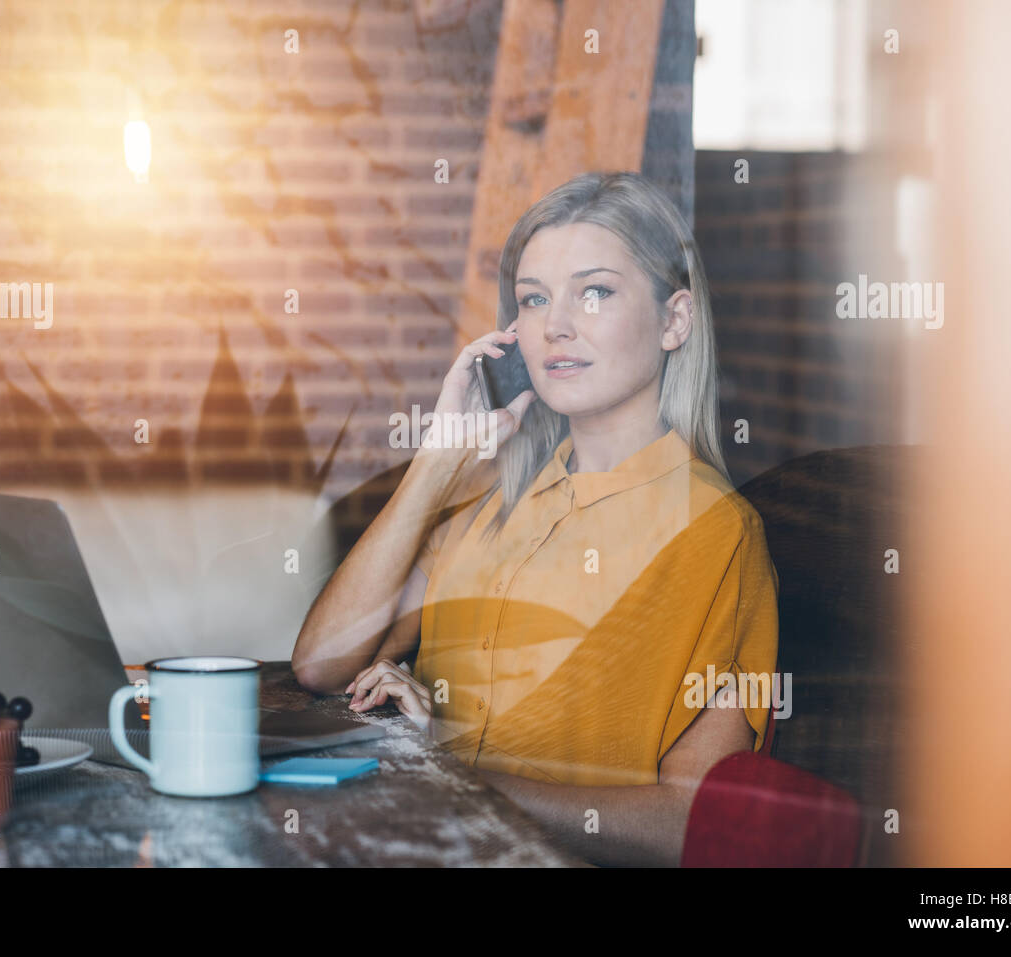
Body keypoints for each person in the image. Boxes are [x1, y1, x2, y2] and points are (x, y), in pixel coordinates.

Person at [292, 171, 779, 866]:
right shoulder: (490, 499)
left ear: (675, 320)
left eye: (595, 291)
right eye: (533, 299)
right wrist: (434, 467)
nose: (555, 325)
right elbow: (320, 662)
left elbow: (689, 822)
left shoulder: (718, 534)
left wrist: (450, 774)